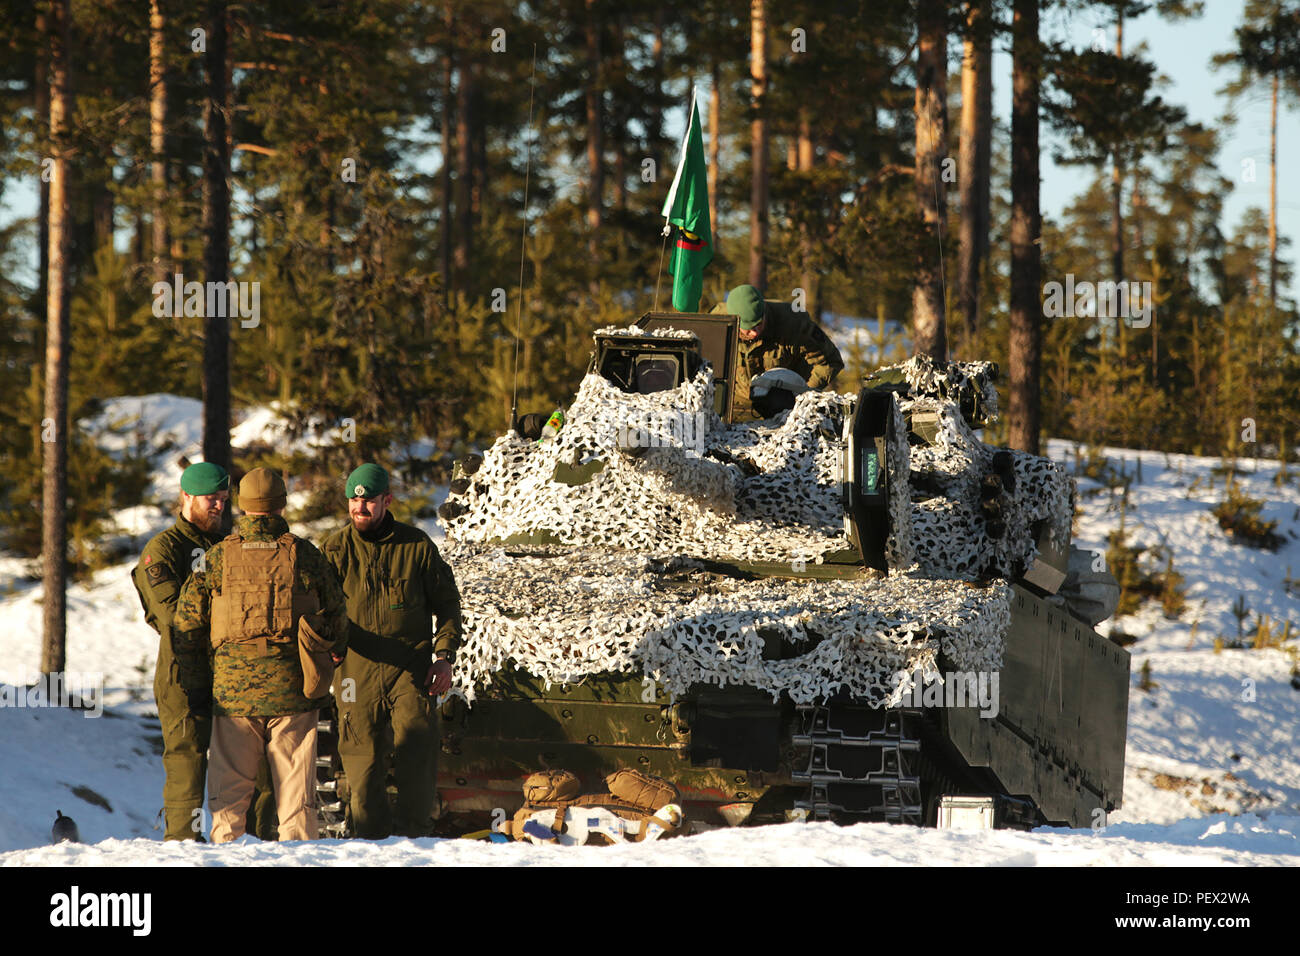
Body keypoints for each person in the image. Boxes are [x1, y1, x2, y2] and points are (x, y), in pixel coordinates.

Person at [173, 467, 347, 843]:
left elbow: (186, 627)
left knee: (229, 804)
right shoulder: (305, 555)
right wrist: (332, 651)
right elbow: (336, 614)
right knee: (297, 804)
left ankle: (225, 853)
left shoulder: (215, 558)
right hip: (294, 691)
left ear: (243, 505)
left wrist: (198, 686)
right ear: (281, 504)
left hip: (232, 695)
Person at [320, 463, 463, 839]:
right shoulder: (334, 550)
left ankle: (415, 845)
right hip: (355, 669)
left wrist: (444, 657)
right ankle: (369, 846)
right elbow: (316, 610)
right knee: (361, 766)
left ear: (387, 500)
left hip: (410, 669)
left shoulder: (416, 547)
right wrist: (329, 647)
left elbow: (448, 605)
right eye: (354, 499)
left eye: (368, 501)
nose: (360, 508)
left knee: (417, 758)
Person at [132, 461, 234, 841]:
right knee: (187, 762)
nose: (219, 508)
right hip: (182, 673)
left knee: (241, 763)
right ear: (186, 497)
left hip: (229, 673)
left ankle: (248, 849)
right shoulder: (162, 549)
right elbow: (175, 616)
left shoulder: (227, 546)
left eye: (223, 500)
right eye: (212, 500)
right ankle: (183, 846)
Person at [716, 284, 844, 420]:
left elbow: (830, 361)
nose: (754, 332)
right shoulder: (717, 324)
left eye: (759, 324)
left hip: (784, 410)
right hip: (734, 408)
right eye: (748, 328)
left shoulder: (793, 323)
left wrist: (804, 395)